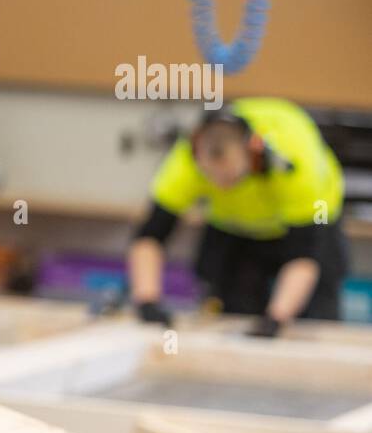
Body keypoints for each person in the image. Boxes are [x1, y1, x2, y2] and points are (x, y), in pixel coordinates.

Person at [127, 97, 348, 336]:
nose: (221, 185)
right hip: (235, 225)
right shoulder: (185, 161)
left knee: (312, 320)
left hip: (315, 216)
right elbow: (150, 236)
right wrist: (147, 302)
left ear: (253, 153)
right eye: (212, 178)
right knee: (230, 313)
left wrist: (275, 319)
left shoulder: (295, 165)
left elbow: (304, 257)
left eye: (230, 178)